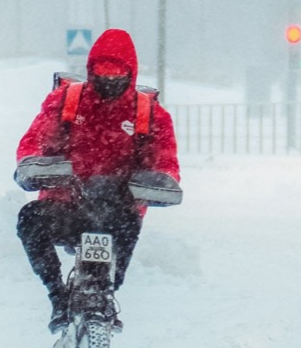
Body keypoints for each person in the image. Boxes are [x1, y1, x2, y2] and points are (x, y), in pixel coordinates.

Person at [14, 26, 182, 331]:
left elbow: (166, 162)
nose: (108, 80)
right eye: (101, 71)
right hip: (66, 207)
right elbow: (34, 141)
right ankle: (57, 295)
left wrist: (160, 184)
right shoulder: (66, 102)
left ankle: (107, 294)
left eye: (117, 73)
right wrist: (33, 165)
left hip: (117, 214)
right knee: (30, 220)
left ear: (130, 73)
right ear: (91, 70)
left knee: (127, 226)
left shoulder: (151, 115)